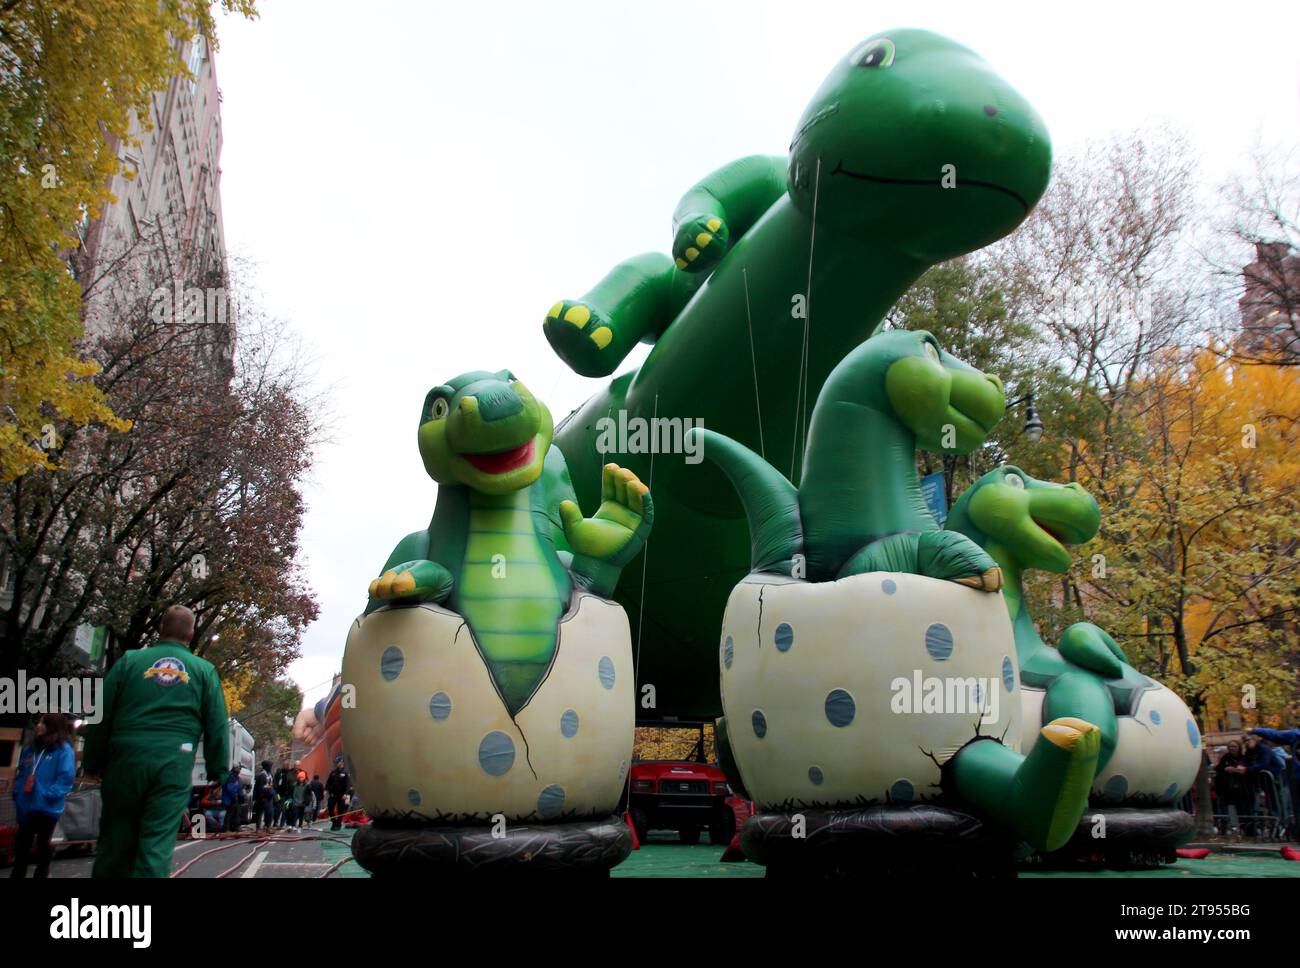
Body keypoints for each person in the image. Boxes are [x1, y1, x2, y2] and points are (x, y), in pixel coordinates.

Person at [82, 604, 230, 877]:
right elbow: (217, 727)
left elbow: (99, 715)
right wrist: (218, 771)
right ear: (191, 634)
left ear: (160, 628)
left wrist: (92, 761)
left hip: (125, 760)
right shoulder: (204, 671)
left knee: (114, 843)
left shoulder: (128, 662)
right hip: (172, 766)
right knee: (155, 845)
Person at [10, 713, 76, 878]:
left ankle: (41, 874)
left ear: (53, 727)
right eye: (39, 722)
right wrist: (17, 793)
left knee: (43, 846)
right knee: (22, 845)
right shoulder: (30, 749)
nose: (38, 725)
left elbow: (65, 777)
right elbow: (21, 774)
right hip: (27, 804)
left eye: (43, 723)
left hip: (47, 807)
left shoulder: (63, 751)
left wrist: (48, 795)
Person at [1249, 726, 1300, 836]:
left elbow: (1276, 734)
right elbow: (1276, 735)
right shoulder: (1295, 735)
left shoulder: (1295, 735)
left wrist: (1255, 730)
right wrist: (1255, 730)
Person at [1214, 740, 1251, 835]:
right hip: (1226, 788)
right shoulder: (1226, 758)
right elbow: (1218, 768)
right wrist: (1225, 769)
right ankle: (1224, 828)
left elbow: (1247, 769)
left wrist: (1236, 770)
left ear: (1239, 747)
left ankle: (1245, 828)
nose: (1232, 748)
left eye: (1234, 746)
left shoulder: (1244, 758)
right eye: (1230, 746)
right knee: (1224, 809)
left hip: (1241, 788)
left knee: (1242, 809)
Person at [326, 756, 350, 831]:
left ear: (342, 763)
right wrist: (327, 790)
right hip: (333, 794)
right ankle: (334, 822)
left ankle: (338, 824)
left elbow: (347, 785)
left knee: (340, 810)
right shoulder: (333, 773)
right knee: (330, 809)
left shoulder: (345, 773)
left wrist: (345, 794)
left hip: (341, 795)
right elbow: (328, 783)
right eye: (336, 762)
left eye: (338, 762)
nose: (337, 764)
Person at [252, 759, 275, 831]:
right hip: (263, 798)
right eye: (270, 766)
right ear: (266, 766)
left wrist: (274, 793)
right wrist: (261, 796)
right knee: (259, 813)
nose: (271, 767)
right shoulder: (262, 775)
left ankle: (267, 826)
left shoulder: (270, 775)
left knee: (270, 813)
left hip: (270, 797)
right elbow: (260, 788)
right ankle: (258, 828)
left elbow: (271, 785)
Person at [273, 759, 294, 827]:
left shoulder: (290, 774)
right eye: (285, 765)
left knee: (285, 809)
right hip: (278, 794)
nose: (286, 766)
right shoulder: (279, 773)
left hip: (286, 795)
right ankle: (275, 822)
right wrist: (275, 792)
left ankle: (282, 824)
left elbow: (291, 784)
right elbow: (275, 783)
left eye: (287, 765)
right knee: (277, 808)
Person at [221, 766, 243, 832]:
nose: (240, 770)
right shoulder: (231, 777)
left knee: (236, 813)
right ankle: (226, 828)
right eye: (238, 768)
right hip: (231, 799)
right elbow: (231, 788)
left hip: (234, 798)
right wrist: (235, 797)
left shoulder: (235, 777)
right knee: (230, 813)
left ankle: (236, 827)